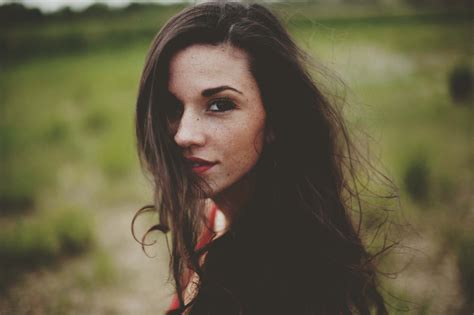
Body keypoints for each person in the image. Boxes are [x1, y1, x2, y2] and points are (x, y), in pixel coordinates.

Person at [133, 2, 395, 314]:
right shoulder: (219, 212)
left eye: (219, 105)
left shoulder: (275, 279)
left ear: (275, 119)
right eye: (174, 108)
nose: (183, 134)